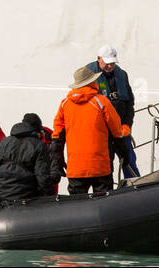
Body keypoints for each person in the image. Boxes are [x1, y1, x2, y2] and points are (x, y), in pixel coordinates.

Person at [53, 65, 127, 195]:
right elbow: (117, 131)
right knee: (104, 205)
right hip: (100, 166)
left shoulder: (65, 104)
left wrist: (57, 161)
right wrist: (125, 154)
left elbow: (57, 137)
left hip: (75, 169)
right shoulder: (101, 102)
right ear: (92, 82)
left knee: (77, 206)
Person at [87, 45, 138, 179]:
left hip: (120, 130)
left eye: (113, 63)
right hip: (101, 133)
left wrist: (127, 124)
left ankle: (134, 187)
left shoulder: (122, 74)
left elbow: (129, 104)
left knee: (129, 161)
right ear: (99, 59)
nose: (111, 66)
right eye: (108, 63)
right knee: (105, 165)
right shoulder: (87, 75)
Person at [0, 113, 58, 202]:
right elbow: (42, 179)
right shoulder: (39, 145)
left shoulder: (4, 142)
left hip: (2, 195)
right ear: (38, 131)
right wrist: (52, 198)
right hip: (26, 197)